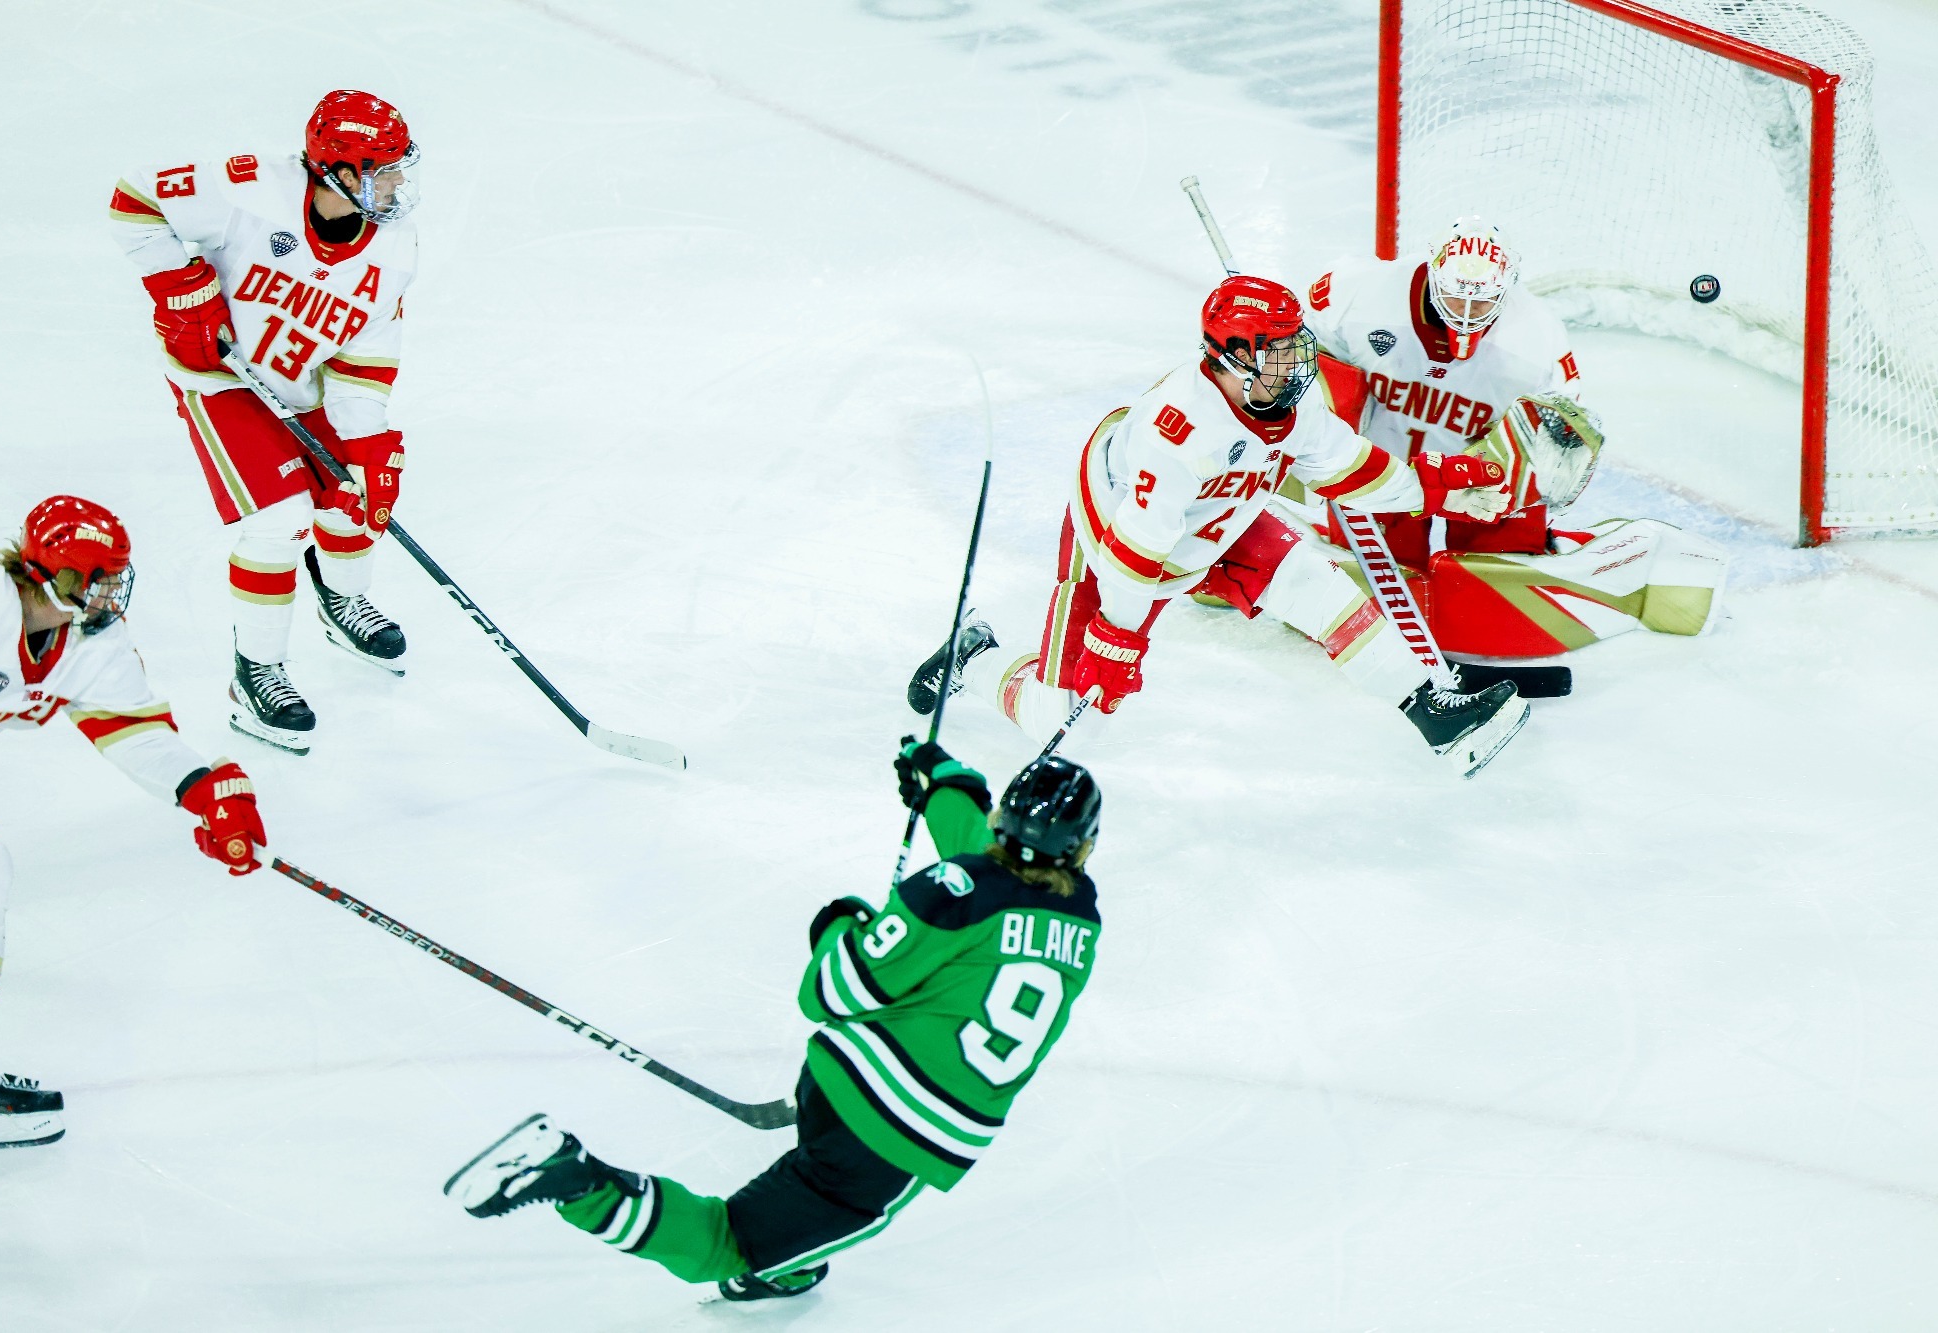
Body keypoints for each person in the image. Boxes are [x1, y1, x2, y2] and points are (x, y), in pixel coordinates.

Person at [443, 741, 1103, 1302]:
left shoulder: (955, 888)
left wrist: (843, 921)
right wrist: (947, 792)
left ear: (1002, 817)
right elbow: (995, 871)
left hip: (840, 1081)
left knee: (798, 1210)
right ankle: (576, 1177)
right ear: (1086, 846)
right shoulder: (1083, 914)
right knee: (725, 1247)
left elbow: (832, 986)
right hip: (898, 1136)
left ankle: (793, 1261)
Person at [910, 274, 1531, 777]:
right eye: (1279, 350)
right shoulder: (1176, 432)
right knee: (1066, 725)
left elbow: (1343, 465)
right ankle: (978, 655)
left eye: (1296, 343)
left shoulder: (1288, 394)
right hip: (1114, 537)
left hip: (1224, 514)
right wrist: (1112, 642)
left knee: (1313, 583)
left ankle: (1433, 712)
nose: (1297, 362)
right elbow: (1134, 551)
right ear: (1234, 359)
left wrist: (1431, 487)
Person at [0, 497, 267, 1149]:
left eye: (119, 577)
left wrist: (206, 793)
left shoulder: (90, 641)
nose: (113, 592)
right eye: (100, 578)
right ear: (55, 576)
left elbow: (135, 729)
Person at [109, 90, 420, 755]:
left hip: (303, 382)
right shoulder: (248, 188)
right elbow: (134, 198)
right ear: (336, 170)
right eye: (382, 168)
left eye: (399, 168)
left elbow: (360, 372)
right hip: (218, 374)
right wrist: (174, 282)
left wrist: (368, 449)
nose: (397, 183)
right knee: (278, 520)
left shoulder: (393, 250)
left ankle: (343, 603)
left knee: (353, 492)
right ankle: (256, 674)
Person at [1301, 218, 1727, 670]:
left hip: (1478, 479)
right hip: (1382, 465)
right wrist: (1331, 449)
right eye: (1455, 294)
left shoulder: (1536, 339)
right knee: (1386, 569)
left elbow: (1559, 438)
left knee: (1491, 578)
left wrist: (1513, 473)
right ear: (1432, 271)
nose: (1466, 310)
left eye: (1481, 298)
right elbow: (1302, 362)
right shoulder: (1359, 291)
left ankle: (1619, 560)